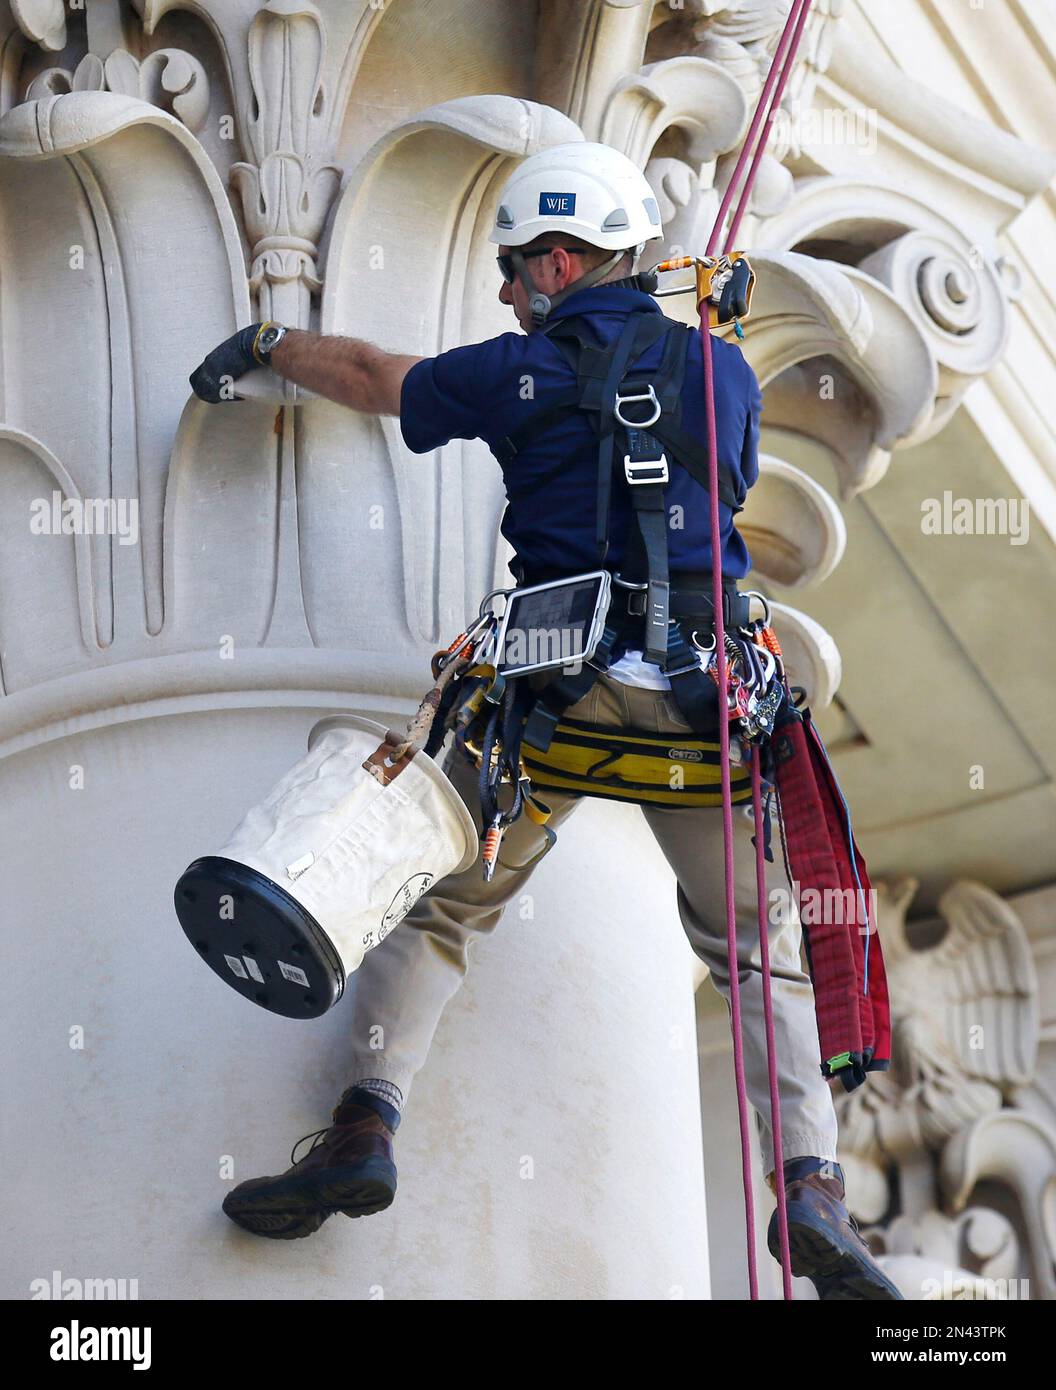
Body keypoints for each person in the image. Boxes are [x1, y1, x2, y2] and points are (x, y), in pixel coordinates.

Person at [190, 142, 900, 1300]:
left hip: (553, 699)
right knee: (754, 953)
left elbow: (371, 373)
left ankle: (365, 1125)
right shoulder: (724, 373)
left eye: (519, 270)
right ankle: (811, 1186)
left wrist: (268, 348)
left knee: (443, 899)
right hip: (700, 707)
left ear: (562, 260)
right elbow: (721, 473)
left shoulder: (512, 370)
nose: (509, 293)